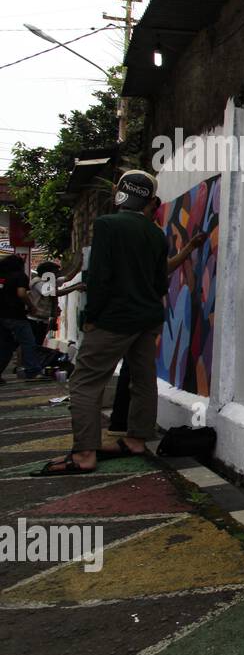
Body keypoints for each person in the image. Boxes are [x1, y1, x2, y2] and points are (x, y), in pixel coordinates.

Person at [35, 170, 168, 475]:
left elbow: (100, 276)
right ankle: (136, 439)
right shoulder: (155, 233)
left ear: (122, 193)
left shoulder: (107, 225)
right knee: (143, 380)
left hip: (114, 318)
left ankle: (84, 454)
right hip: (147, 318)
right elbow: (161, 283)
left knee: (84, 382)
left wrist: (91, 317)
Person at [107, 196, 208, 434]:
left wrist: (190, 247)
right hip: (136, 314)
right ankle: (124, 428)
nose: (155, 214)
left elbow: (164, 269)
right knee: (136, 374)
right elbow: (164, 270)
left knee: (132, 372)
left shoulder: (129, 235)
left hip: (130, 314)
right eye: (153, 207)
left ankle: (122, 424)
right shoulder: (145, 235)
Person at [0, 255, 40, 383]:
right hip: (16, 315)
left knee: (6, 346)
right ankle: (31, 370)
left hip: (1, 316)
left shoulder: (2, 277)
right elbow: (21, 293)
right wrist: (31, 306)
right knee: (28, 342)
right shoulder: (20, 276)